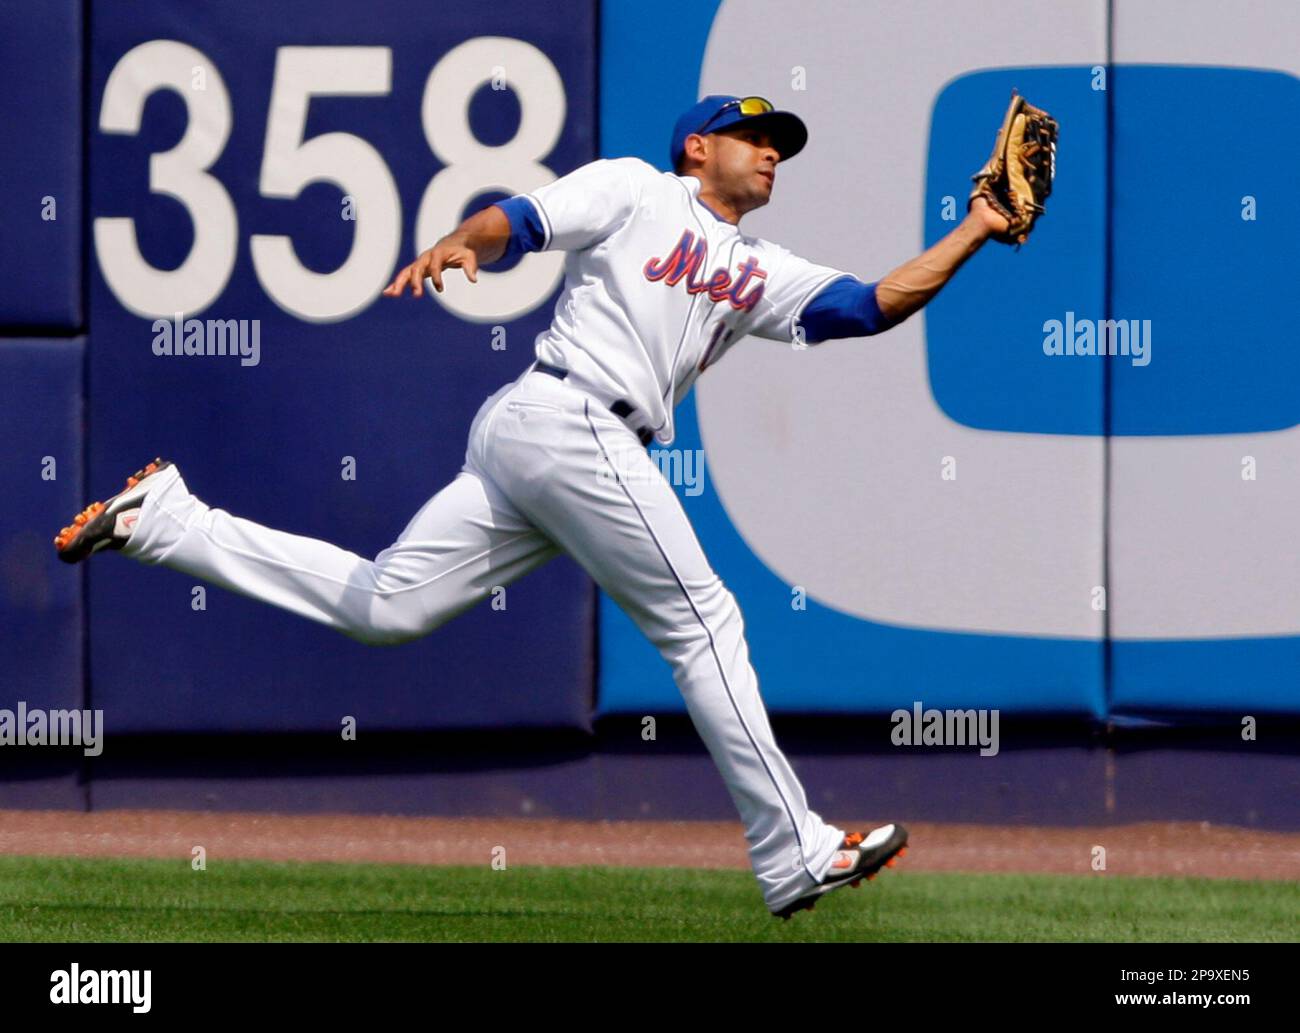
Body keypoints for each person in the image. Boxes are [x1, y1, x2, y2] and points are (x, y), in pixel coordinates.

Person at [55, 94, 1010, 919]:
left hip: (551, 437)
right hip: (567, 415)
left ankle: (167, 520)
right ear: (697, 147)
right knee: (705, 619)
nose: (771, 152)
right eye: (753, 134)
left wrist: (973, 228)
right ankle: (794, 848)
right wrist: (467, 241)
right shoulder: (640, 188)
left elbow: (870, 304)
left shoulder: (755, 267)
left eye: (781, 144)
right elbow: (522, 217)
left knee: (390, 606)